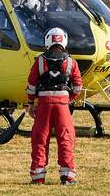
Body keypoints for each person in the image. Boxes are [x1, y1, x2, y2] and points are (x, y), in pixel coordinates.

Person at [25, 27, 82, 185]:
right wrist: (69, 99)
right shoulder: (71, 62)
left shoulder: (40, 61)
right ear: (64, 41)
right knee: (66, 138)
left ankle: (38, 177)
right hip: (62, 105)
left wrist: (31, 103)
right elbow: (78, 86)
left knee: (40, 139)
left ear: (47, 41)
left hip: (44, 105)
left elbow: (31, 84)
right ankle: (67, 176)